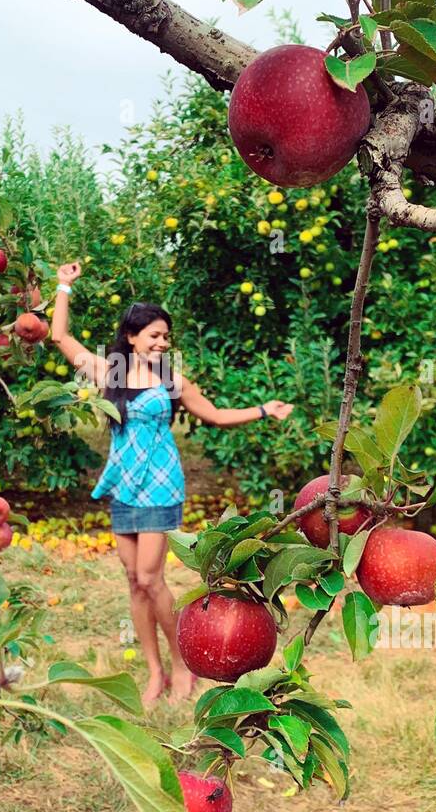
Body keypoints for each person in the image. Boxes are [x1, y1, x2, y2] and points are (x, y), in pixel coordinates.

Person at [51, 261, 294, 705]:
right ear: (131, 337)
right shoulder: (112, 375)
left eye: (166, 336)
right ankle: (154, 671)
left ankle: (183, 665)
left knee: (150, 576)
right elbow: (61, 339)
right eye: (154, 335)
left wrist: (263, 410)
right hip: (124, 486)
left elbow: (215, 415)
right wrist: (63, 287)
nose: (162, 342)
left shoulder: (172, 381)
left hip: (161, 487)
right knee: (132, 579)